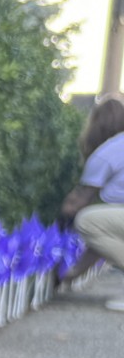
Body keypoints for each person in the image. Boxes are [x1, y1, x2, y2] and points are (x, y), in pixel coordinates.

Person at [61, 94, 124, 307]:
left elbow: (77, 205)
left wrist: (63, 217)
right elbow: (101, 240)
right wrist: (73, 274)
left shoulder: (106, 153)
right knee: (98, 222)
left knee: (86, 220)